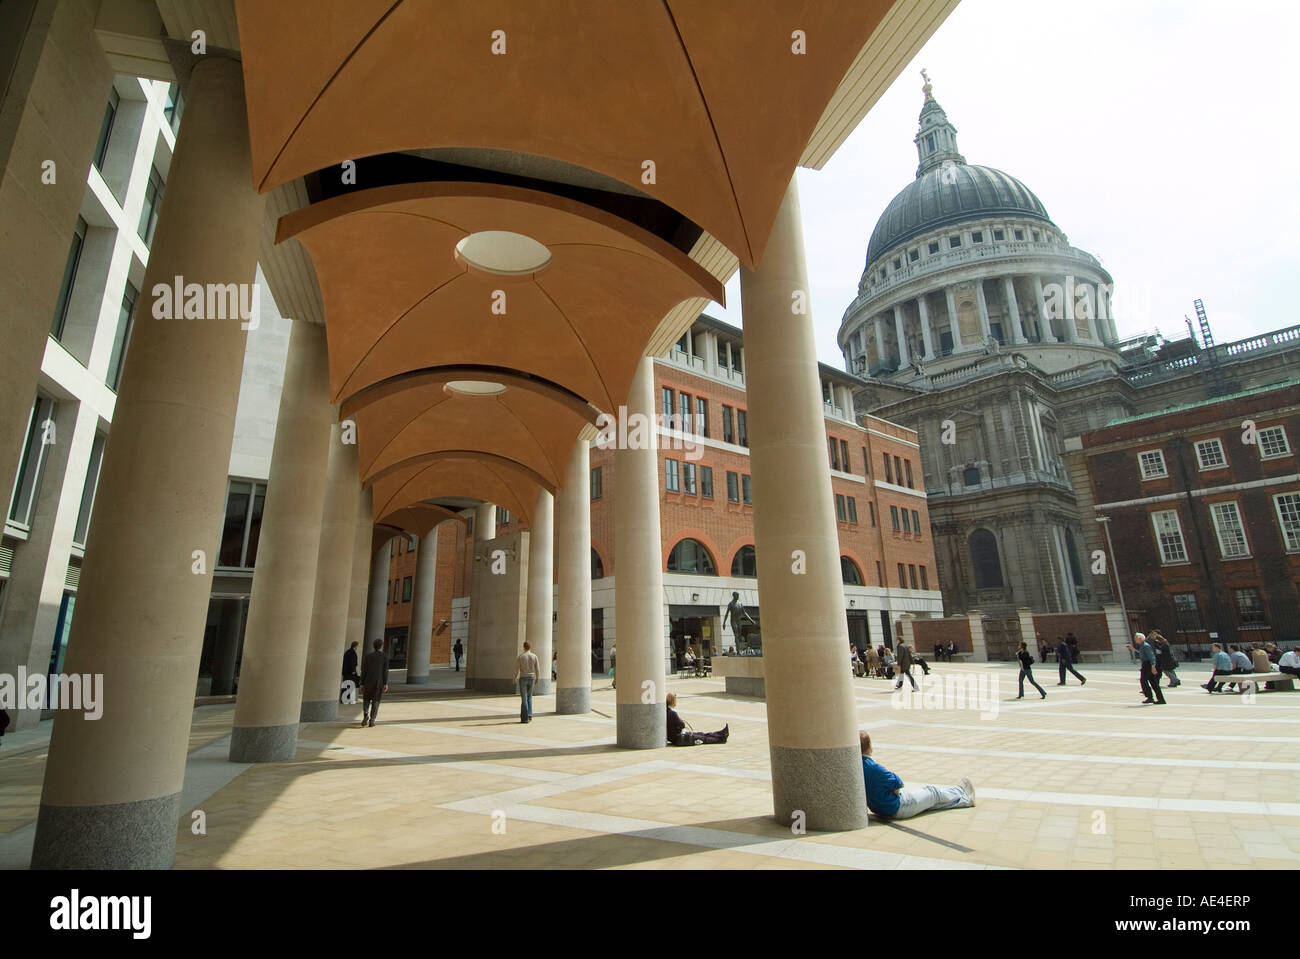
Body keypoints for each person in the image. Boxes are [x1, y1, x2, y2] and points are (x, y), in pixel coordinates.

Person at [859, 731, 974, 819]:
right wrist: (895, 790)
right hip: (897, 806)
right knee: (932, 792)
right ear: (869, 746)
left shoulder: (857, 765)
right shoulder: (872, 767)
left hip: (880, 809)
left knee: (931, 804)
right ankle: (959, 791)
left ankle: (964, 801)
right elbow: (898, 782)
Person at [359, 638, 389, 727]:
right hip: (378, 682)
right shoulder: (385, 656)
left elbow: (364, 670)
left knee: (366, 699)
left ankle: (365, 713)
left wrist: (362, 683)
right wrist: (385, 683)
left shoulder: (368, 656)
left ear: (373, 646)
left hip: (368, 681)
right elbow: (385, 671)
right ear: (381, 646)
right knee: (376, 700)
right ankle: (372, 720)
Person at [1129, 632, 1165, 705]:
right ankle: (1159, 699)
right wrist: (1133, 649)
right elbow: (1141, 655)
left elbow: (1151, 656)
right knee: (1153, 683)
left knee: (1144, 681)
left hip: (1147, 665)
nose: (1135, 640)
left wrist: (1153, 666)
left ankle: (1150, 697)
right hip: (1146, 664)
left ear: (1140, 639)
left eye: (1136, 638)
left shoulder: (1145, 646)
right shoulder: (1142, 646)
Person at [515, 640, 540, 723]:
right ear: (530, 647)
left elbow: (517, 669)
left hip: (523, 678)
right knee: (529, 697)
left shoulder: (520, 657)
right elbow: (537, 669)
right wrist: (537, 678)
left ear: (524, 647)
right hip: (532, 677)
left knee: (524, 698)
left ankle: (524, 718)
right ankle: (529, 714)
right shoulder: (534, 656)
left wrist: (515, 677)